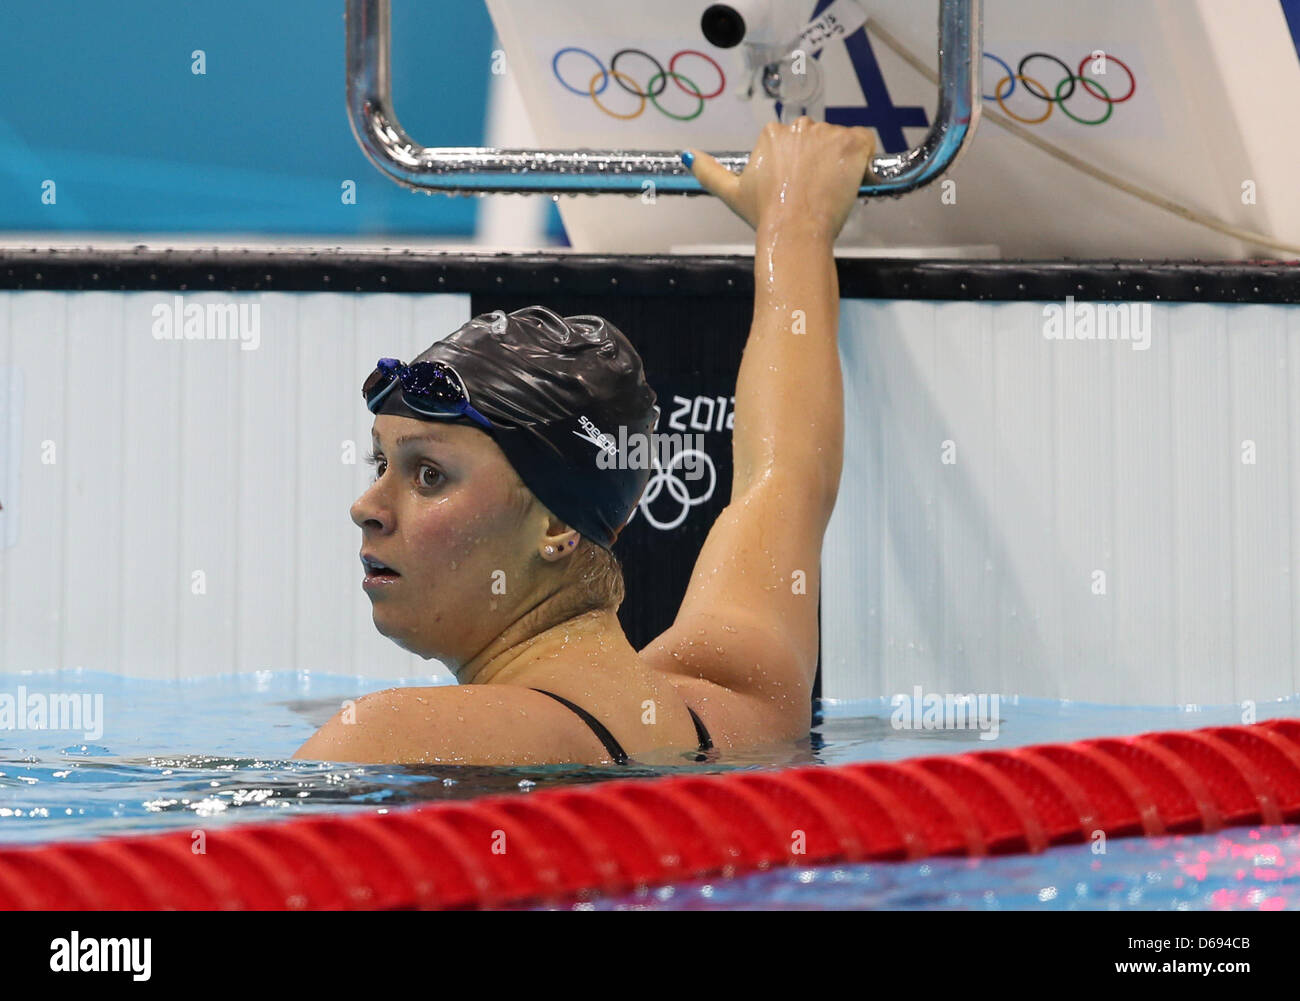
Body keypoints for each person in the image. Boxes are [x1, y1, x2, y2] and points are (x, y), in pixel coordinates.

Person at [293, 118, 876, 765]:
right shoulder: (745, 701)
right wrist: (795, 219)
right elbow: (787, 474)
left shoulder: (393, 736)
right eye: (382, 462)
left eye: (428, 473)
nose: (367, 505)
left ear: (555, 527)